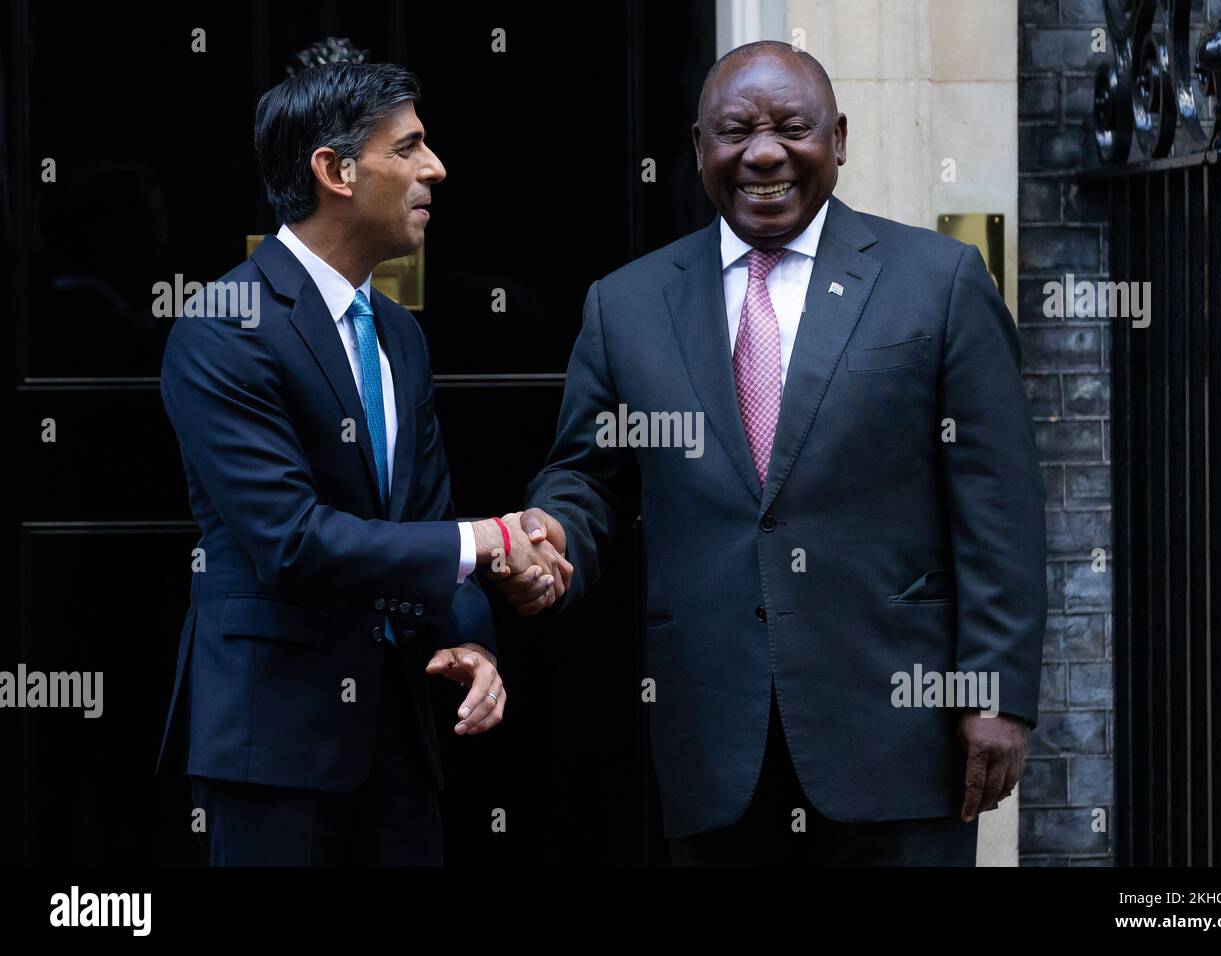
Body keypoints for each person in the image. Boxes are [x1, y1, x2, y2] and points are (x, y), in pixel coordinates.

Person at [498, 41, 1047, 866]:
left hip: (899, 732)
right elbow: (591, 478)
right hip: (713, 738)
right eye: (736, 131)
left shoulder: (939, 280)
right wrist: (553, 534)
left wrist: (997, 693)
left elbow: (998, 503)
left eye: (793, 127)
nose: (764, 152)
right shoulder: (628, 304)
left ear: (840, 138)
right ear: (696, 147)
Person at [156, 61, 570, 865]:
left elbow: (421, 519)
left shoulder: (398, 334)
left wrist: (473, 638)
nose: (434, 168)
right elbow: (292, 539)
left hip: (402, 736)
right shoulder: (223, 325)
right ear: (334, 171)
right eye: (407, 147)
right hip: (275, 743)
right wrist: (488, 540)